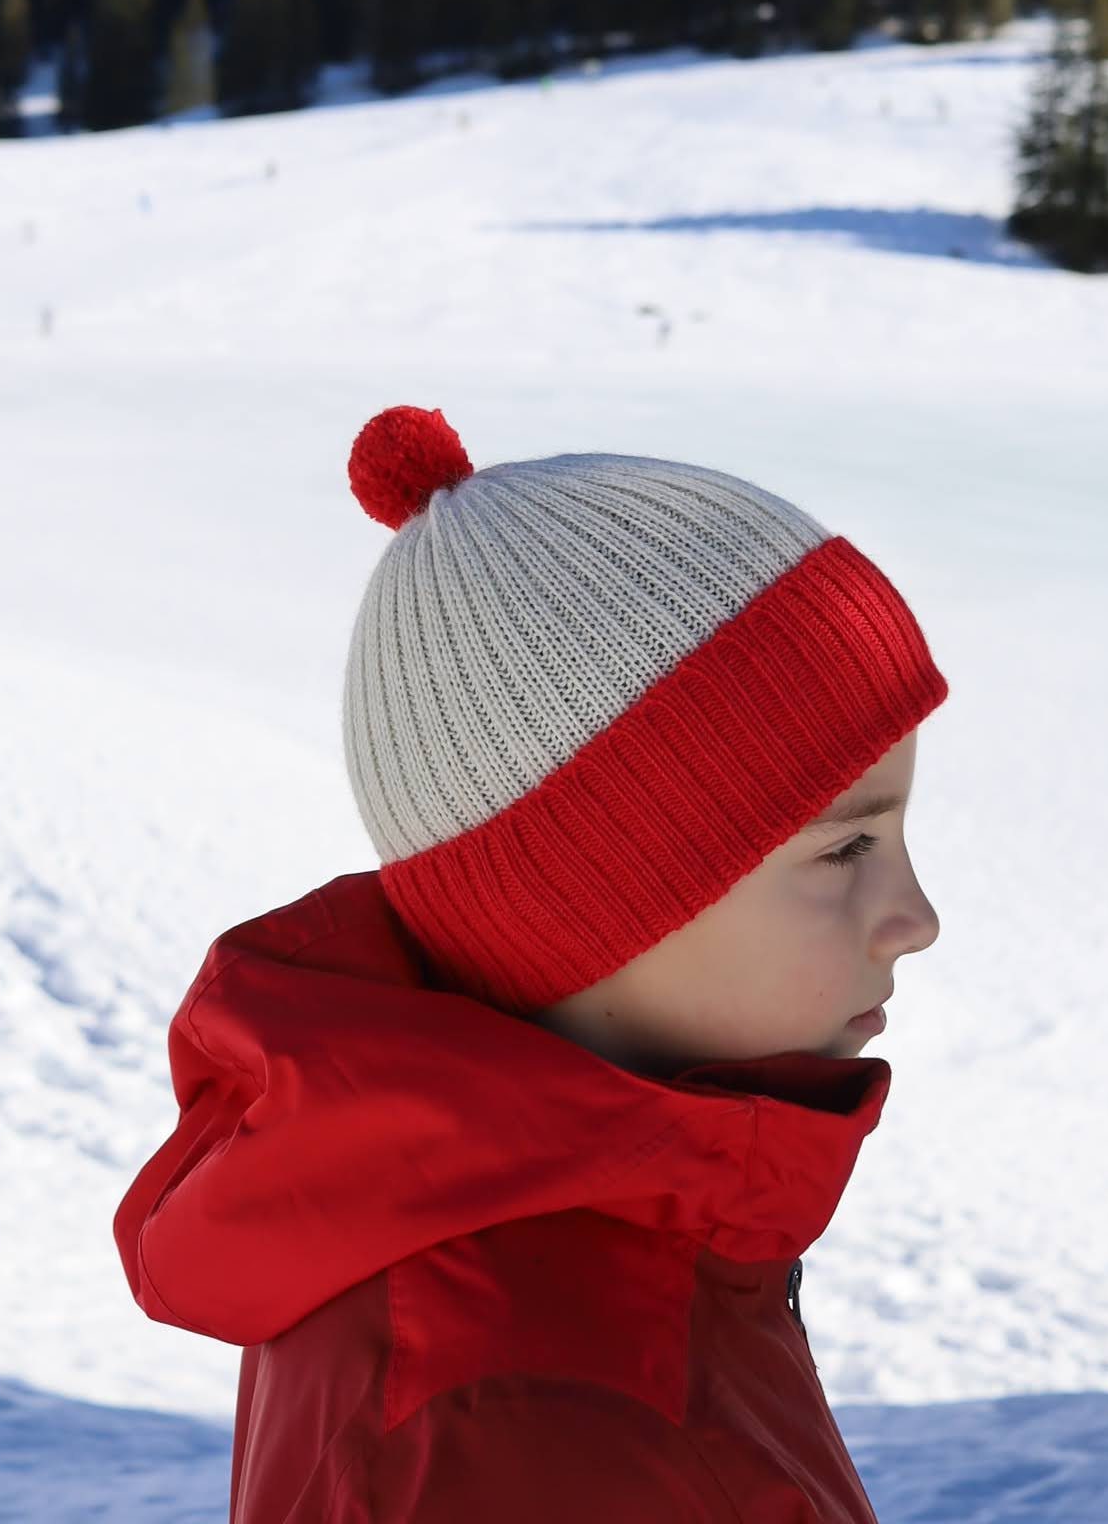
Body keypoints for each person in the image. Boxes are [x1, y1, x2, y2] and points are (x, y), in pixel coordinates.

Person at [113, 403, 949, 1521]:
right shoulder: (533, 1433)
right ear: (600, 904)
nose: (914, 916)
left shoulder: (574, 1247)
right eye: (844, 847)